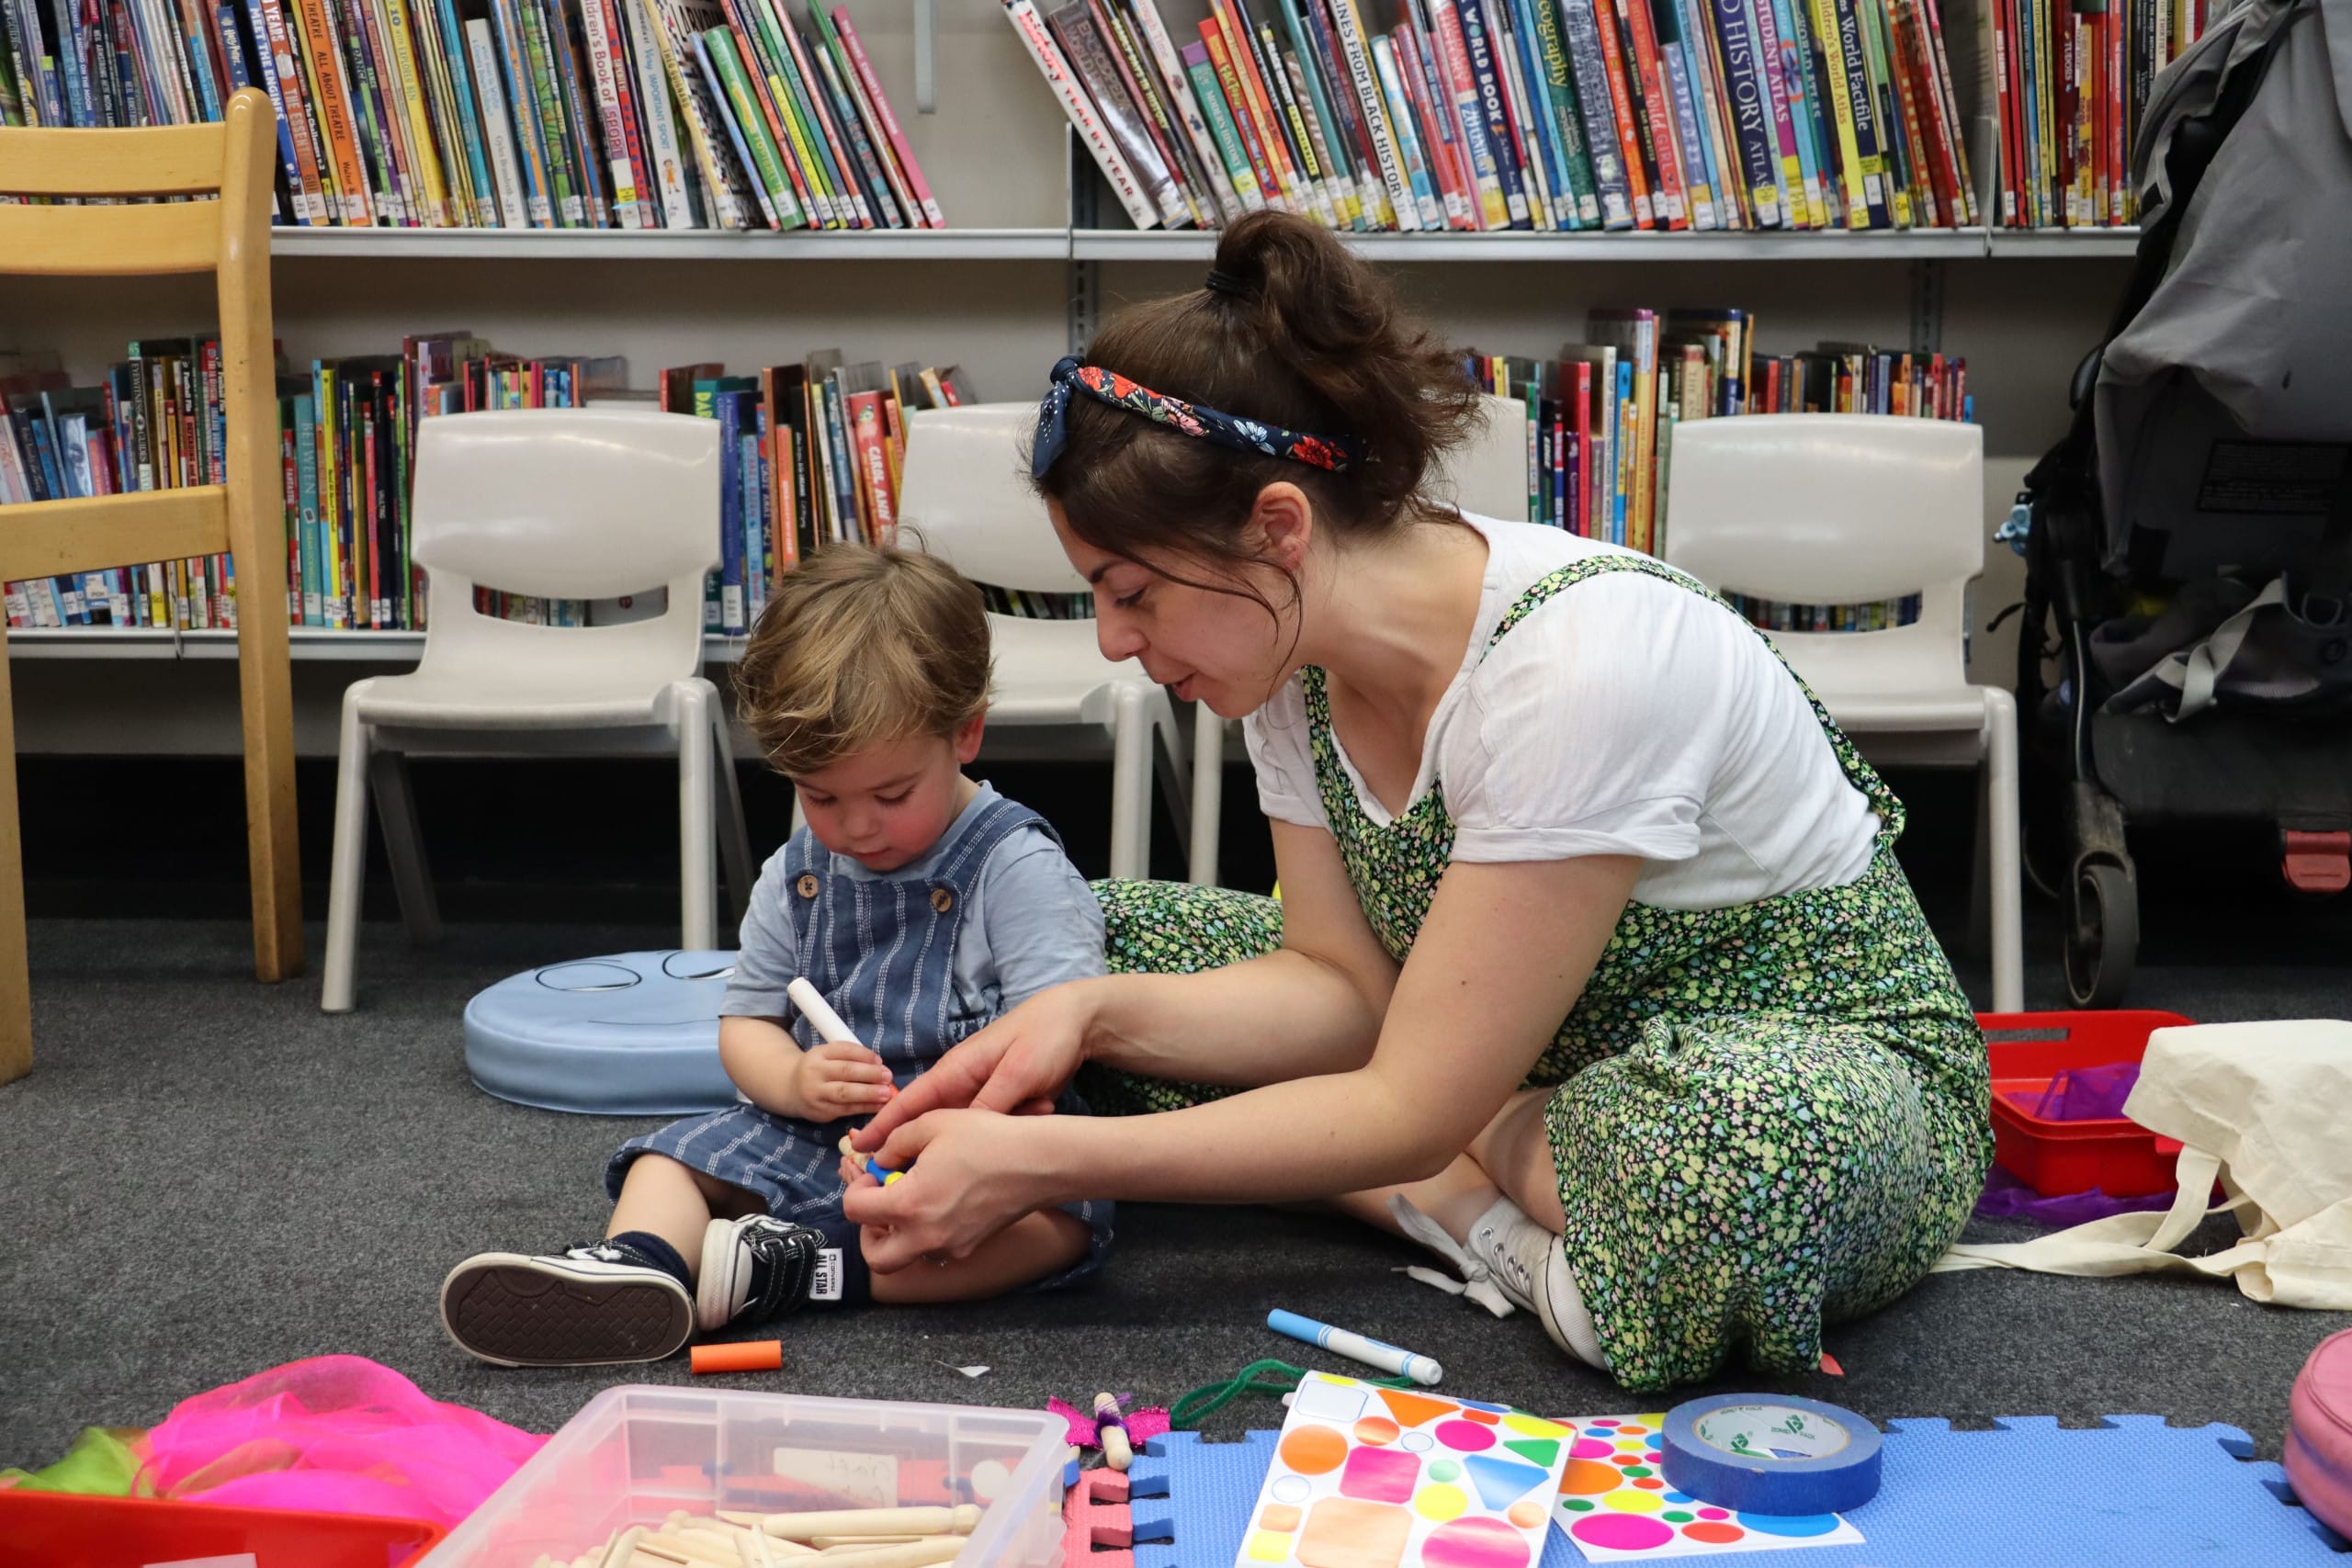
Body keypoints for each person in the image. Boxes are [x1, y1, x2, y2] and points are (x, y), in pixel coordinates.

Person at [841, 211, 1992, 1392]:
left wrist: (1053, 1162)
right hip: (1493, 1059)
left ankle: (1449, 1190)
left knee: (1720, 1169)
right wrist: (1087, 1016)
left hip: (1797, 1065)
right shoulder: (1293, 659)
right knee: (1085, 939)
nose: (1112, 641)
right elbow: (1340, 987)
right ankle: (1488, 1200)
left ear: (1276, 529)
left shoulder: (1576, 662)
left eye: (1131, 592)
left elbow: (1400, 1084)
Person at [440, 545, 1113, 1368]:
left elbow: (1057, 1035)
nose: (855, 827)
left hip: (977, 1143)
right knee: (667, 1159)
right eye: (820, 795)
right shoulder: (797, 872)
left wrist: (962, 1131)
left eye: (892, 795)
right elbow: (746, 1025)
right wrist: (794, 1080)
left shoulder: (1017, 869)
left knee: (1060, 1220)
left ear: (965, 732)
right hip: (810, 1135)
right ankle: (640, 1270)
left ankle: (806, 1270)